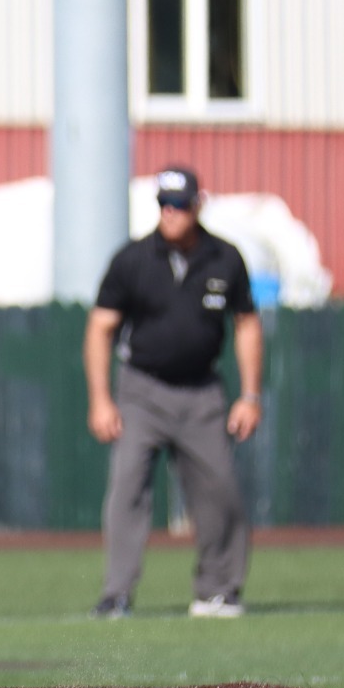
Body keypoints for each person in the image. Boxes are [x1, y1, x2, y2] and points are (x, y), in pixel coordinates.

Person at [84, 166, 262, 619]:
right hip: (142, 390)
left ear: (197, 205)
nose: (171, 213)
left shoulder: (225, 258)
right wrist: (101, 398)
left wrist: (250, 394)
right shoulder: (133, 259)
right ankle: (117, 593)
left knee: (219, 487)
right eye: (164, 204)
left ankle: (218, 591)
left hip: (202, 392)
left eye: (179, 204)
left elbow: (246, 325)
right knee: (127, 487)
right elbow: (101, 328)